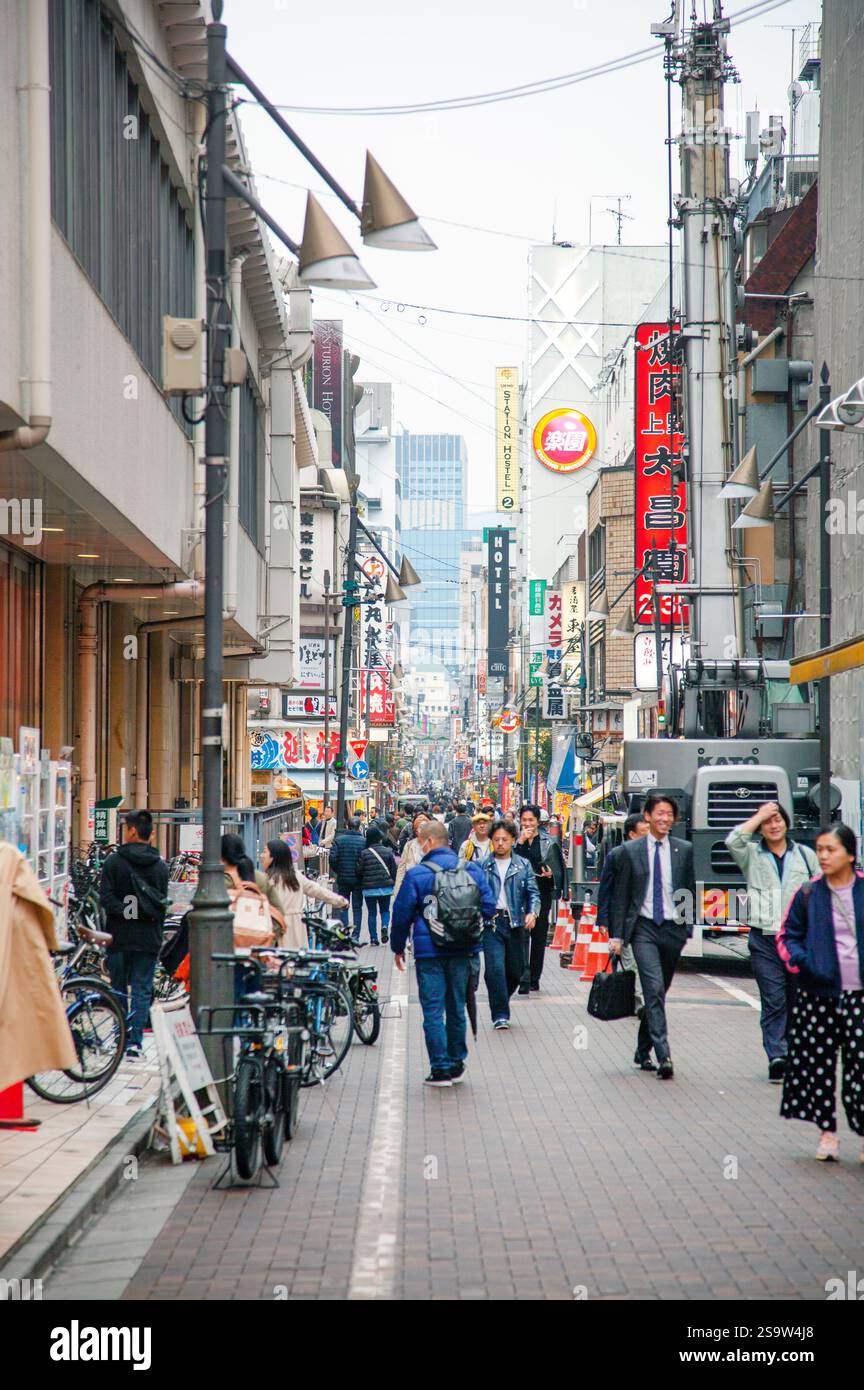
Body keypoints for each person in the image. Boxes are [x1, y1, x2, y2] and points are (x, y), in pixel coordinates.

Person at [778, 823, 864, 1161]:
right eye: (820, 849)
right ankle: (827, 1134)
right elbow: (787, 936)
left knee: (861, 1063)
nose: (824, 856)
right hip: (817, 994)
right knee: (818, 1066)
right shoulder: (808, 893)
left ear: (851, 854)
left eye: (831, 850)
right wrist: (804, 962)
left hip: (859, 995)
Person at [391, 818, 497, 1085]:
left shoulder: (417, 875)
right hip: (464, 949)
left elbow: (401, 913)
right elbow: (489, 906)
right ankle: (457, 1063)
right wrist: (469, 925)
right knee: (457, 1006)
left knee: (433, 1009)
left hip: (429, 952)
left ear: (428, 842)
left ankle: (440, 1068)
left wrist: (398, 946)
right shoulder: (471, 870)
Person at [726, 800, 818, 1082]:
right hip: (764, 939)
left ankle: (792, 1052)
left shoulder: (805, 856)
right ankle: (777, 1055)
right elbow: (733, 840)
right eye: (768, 822)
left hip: (798, 940)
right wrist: (760, 814)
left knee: (796, 1000)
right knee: (774, 999)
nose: (774, 825)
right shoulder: (752, 854)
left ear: (787, 823)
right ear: (761, 827)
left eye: (778, 819)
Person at [609, 793, 696, 1080]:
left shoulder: (683, 849)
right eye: (659, 813)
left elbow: (687, 890)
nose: (664, 818)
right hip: (643, 928)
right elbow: (621, 896)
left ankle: (641, 1048)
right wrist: (617, 936)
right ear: (647, 816)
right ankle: (664, 1055)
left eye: (669, 814)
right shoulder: (630, 851)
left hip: (672, 929)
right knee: (654, 988)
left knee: (658, 992)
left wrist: (686, 929)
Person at [100, 810, 170, 1062]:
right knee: (141, 989)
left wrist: (127, 912)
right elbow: (162, 902)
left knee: (118, 989)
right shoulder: (160, 866)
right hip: (148, 938)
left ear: (131, 831)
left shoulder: (114, 862)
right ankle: (135, 1044)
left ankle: (121, 1036)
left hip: (119, 937)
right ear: (149, 833)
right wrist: (141, 914)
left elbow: (107, 898)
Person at [596, 814, 649, 1059]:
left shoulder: (654, 857)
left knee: (643, 966)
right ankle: (641, 1005)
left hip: (648, 925)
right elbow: (605, 891)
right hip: (624, 924)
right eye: (644, 831)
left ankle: (643, 1003)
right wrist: (604, 921)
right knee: (631, 966)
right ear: (631, 834)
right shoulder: (616, 856)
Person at [481, 820, 540, 1029]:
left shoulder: (523, 865)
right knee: (495, 968)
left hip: (516, 922)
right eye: (496, 839)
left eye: (504, 839)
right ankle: (500, 1014)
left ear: (513, 840)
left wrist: (532, 912)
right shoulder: (483, 865)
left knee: (516, 971)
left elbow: (533, 893)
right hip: (491, 924)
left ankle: (500, 998)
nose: (500, 843)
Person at [514, 803, 566, 994]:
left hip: (541, 892)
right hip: (519, 895)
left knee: (538, 935)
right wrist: (520, 842)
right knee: (520, 935)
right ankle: (523, 976)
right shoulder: (513, 841)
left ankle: (534, 976)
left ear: (538, 822)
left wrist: (551, 875)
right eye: (525, 820)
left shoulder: (548, 841)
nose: (528, 824)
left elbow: (558, 870)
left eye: (531, 820)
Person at [261, 839, 348, 950]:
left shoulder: (266, 880)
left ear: (274, 857)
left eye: (265, 852)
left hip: (274, 927)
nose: (262, 856)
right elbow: (318, 890)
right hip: (296, 928)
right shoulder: (295, 876)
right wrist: (341, 901)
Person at [356, 826, 397, 946]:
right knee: (385, 910)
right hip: (385, 887)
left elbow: (359, 871)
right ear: (379, 838)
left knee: (372, 913)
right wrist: (393, 882)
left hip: (369, 889)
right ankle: (384, 926)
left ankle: (373, 938)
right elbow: (393, 870)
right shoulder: (387, 851)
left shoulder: (364, 853)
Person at [328, 817, 367, 939]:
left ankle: (344, 934)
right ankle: (356, 935)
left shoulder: (339, 840)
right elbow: (366, 860)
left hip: (343, 878)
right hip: (358, 880)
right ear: (359, 827)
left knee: (343, 905)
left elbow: (332, 858)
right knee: (357, 907)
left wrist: (338, 870)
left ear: (347, 826)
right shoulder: (364, 842)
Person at [394, 811, 432, 897]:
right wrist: (398, 891)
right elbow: (402, 868)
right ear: (416, 830)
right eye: (420, 828)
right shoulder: (410, 845)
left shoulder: (435, 844)